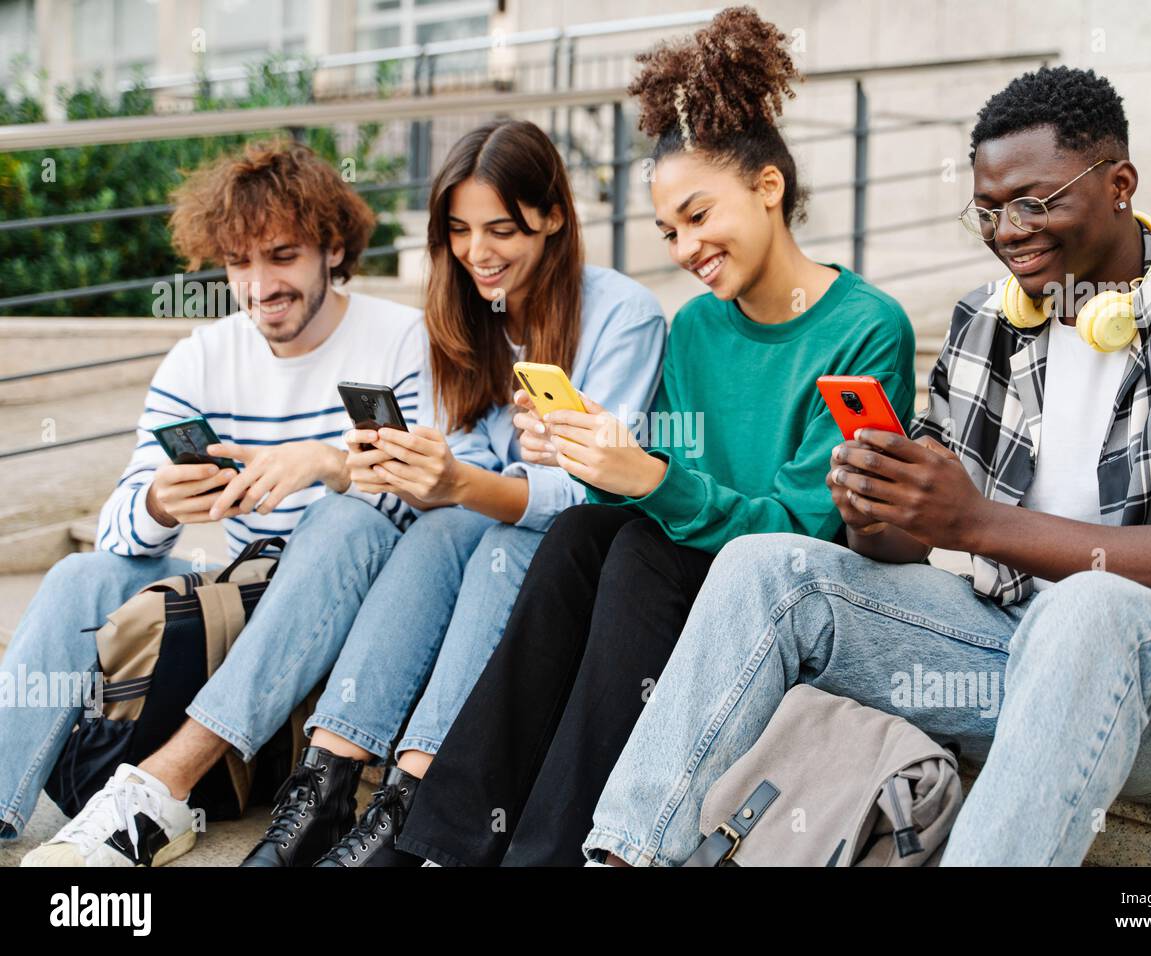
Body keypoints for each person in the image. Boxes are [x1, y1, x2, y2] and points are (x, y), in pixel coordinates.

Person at [582, 65, 1151, 867]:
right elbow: (901, 552)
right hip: (1006, 653)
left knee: (1091, 606)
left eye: (1034, 201)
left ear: (1120, 183)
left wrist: (978, 522)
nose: (1009, 230)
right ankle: (626, 854)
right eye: (988, 211)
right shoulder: (987, 318)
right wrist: (878, 505)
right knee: (766, 567)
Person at [394, 6, 917, 867]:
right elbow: (667, 466)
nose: (685, 246)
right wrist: (585, 452)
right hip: (687, 575)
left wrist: (645, 478)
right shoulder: (700, 328)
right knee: (578, 532)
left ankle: (547, 853)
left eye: (698, 214)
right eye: (669, 230)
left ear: (769, 189)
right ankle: (446, 847)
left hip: (792, 592)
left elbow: (800, 534)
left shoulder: (867, 328)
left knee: (635, 548)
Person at [233, 119, 666, 867]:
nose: (477, 253)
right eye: (459, 231)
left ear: (554, 216)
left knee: (495, 535)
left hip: (582, 558)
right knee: (426, 525)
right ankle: (325, 786)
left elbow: (594, 497)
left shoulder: (625, 315)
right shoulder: (461, 311)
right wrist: (403, 468)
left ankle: (412, 801)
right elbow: (460, 457)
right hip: (474, 535)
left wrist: (468, 482)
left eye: (501, 229)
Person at [9, 140, 427, 865]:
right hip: (239, 606)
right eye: (240, 262)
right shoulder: (201, 357)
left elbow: (427, 513)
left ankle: (159, 789)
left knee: (345, 518)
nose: (261, 285)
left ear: (332, 247)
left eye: (282, 255)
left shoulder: (399, 339)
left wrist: (330, 466)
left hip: (352, 623)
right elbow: (118, 530)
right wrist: (161, 506)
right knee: (81, 576)